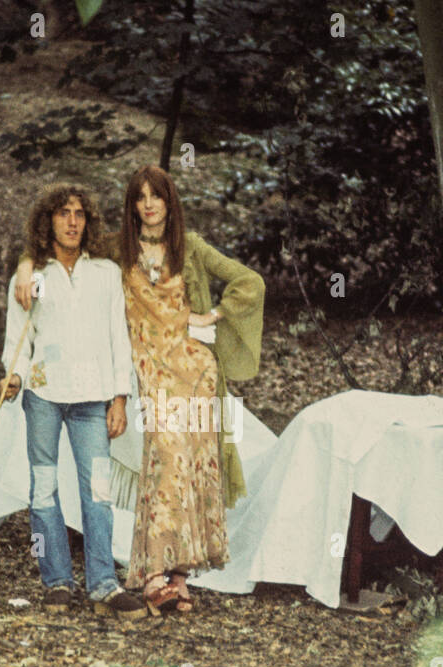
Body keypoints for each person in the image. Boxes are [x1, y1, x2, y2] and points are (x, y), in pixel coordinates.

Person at [14, 166, 264, 613]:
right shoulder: (117, 247)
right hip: (149, 375)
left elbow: (251, 282)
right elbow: (62, 249)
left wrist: (214, 316)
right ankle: (150, 574)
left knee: (191, 472)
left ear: (170, 202)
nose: (148, 204)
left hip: (194, 373)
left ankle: (179, 577)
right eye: (140, 197)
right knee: (163, 468)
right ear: (132, 205)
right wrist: (25, 266)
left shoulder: (192, 248)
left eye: (157, 196)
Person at [0, 183, 147, 619]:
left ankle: (103, 583)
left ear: (88, 222)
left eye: (79, 214)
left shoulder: (104, 274)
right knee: (44, 488)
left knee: (98, 490)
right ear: (48, 221)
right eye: (63, 213)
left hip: (92, 399)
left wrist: (119, 398)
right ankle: (57, 580)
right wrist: (15, 377)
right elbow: (18, 341)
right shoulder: (31, 279)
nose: (72, 221)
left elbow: (120, 340)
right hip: (43, 395)